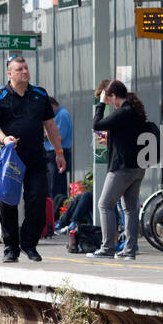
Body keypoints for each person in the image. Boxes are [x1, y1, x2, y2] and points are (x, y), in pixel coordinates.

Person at [0, 56, 66, 263]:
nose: (24, 72)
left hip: (36, 157)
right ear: (9, 74)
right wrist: (4, 138)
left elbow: (50, 126)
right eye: (19, 69)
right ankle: (10, 248)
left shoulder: (39, 94)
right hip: (10, 157)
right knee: (8, 203)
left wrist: (59, 152)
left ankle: (30, 243)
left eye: (26, 68)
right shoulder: (0, 95)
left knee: (37, 199)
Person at [88, 79, 148, 260]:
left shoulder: (124, 111)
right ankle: (129, 251)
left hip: (122, 168)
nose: (108, 102)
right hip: (137, 167)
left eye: (108, 98)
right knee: (129, 209)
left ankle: (107, 248)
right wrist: (111, 140)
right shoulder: (134, 111)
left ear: (113, 96)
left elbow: (97, 124)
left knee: (104, 205)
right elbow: (128, 137)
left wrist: (100, 104)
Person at [45, 96, 74, 200]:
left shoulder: (62, 115)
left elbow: (60, 136)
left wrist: (44, 135)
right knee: (52, 184)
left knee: (55, 185)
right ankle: (55, 209)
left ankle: (56, 211)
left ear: (51, 106)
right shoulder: (58, 115)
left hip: (57, 153)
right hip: (52, 154)